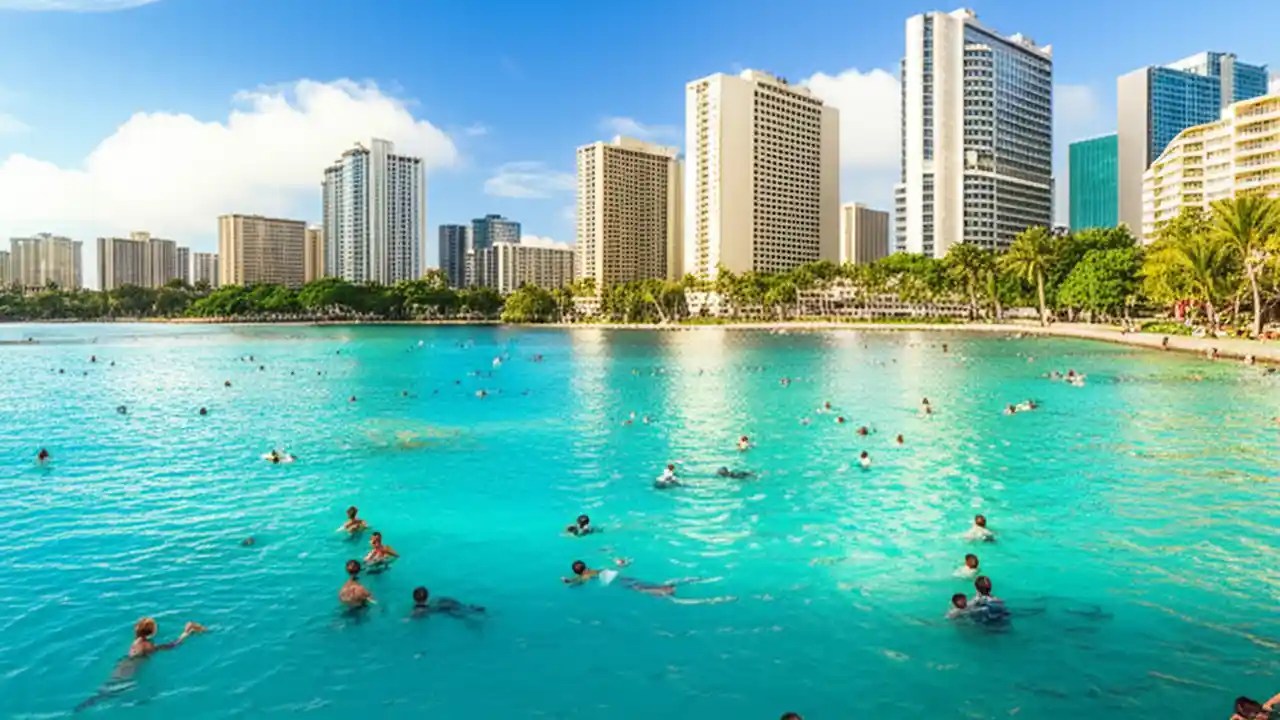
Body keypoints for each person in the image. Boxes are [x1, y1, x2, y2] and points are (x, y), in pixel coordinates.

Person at [129, 617, 205, 659]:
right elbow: (172, 646)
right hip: (133, 668)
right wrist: (185, 633)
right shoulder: (148, 645)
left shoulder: (136, 641)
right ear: (153, 632)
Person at [410, 586, 485, 619]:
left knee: (462, 614)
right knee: (464, 609)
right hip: (448, 603)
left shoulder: (419, 610)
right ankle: (475, 610)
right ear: (427, 596)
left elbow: (414, 616)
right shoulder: (432, 600)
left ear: (414, 598)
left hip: (447, 608)